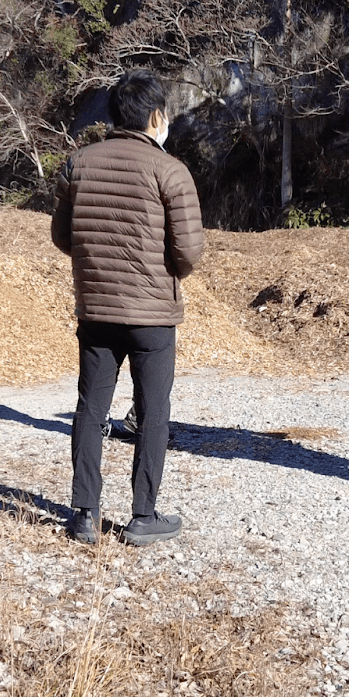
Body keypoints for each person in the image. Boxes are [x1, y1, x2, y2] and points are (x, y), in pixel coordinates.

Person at [51, 70, 204, 546]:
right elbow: (189, 253)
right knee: (153, 411)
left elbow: (62, 236)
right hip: (152, 315)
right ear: (156, 117)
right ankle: (143, 516)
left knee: (90, 408)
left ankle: (84, 514)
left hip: (95, 309)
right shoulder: (170, 170)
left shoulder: (78, 163)